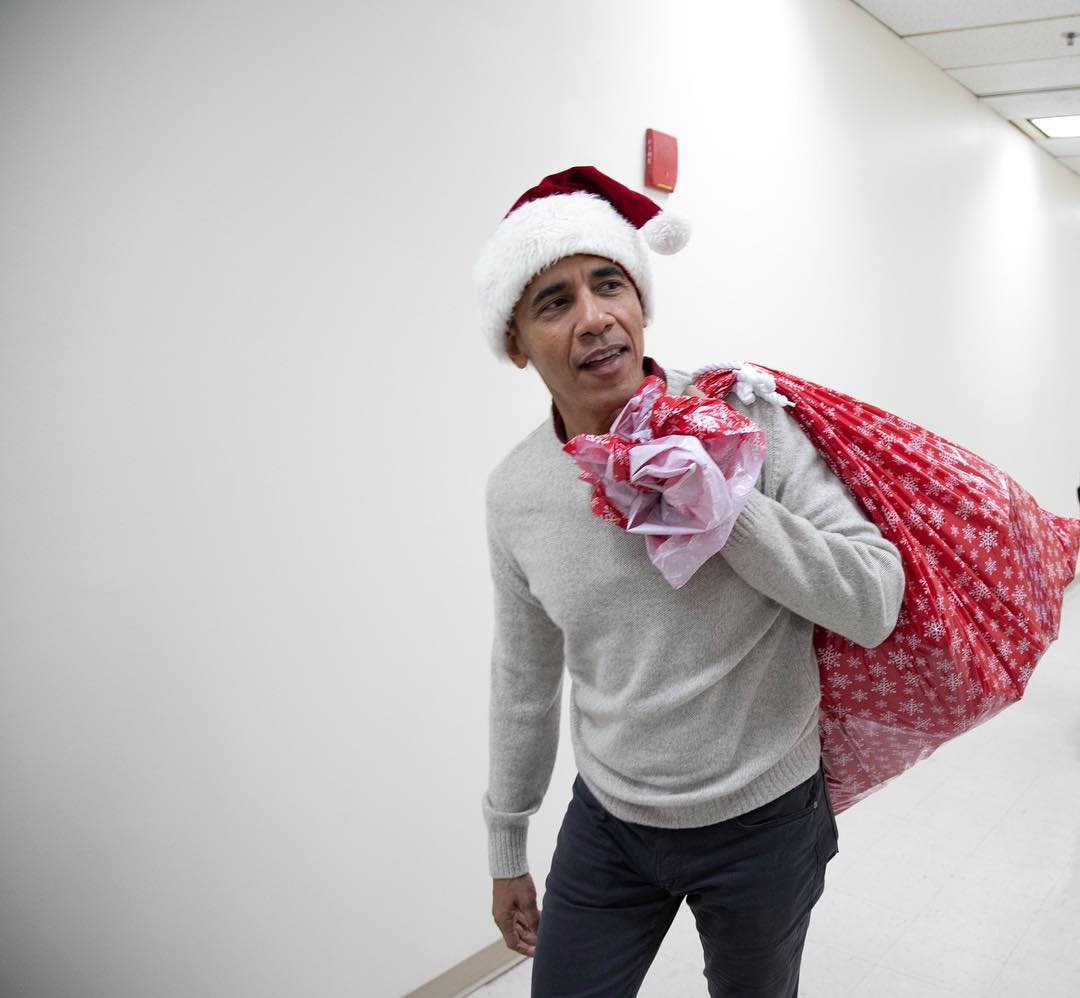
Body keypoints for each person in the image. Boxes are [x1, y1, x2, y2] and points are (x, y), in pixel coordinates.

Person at [474, 166, 905, 997]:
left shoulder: (748, 420)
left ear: (641, 305)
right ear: (517, 343)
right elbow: (523, 680)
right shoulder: (517, 493)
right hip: (610, 823)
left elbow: (872, 600)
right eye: (554, 302)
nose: (594, 317)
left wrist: (726, 505)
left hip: (764, 821)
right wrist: (505, 844)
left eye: (610, 284)